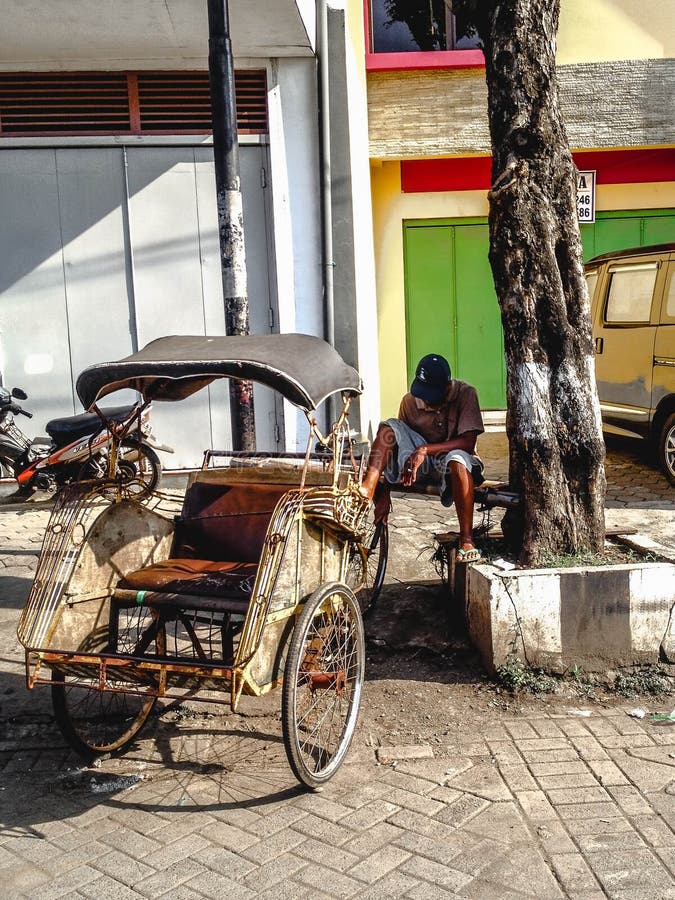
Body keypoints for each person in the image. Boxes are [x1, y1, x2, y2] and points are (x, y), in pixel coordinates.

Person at [361, 354, 485, 562]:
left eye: (431, 395)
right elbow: (398, 446)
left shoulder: (466, 394)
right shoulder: (410, 402)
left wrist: (426, 449)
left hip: (452, 463)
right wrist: (384, 491)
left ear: (446, 387)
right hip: (418, 467)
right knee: (388, 428)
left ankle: (467, 539)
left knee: (458, 459)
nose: (425, 400)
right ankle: (369, 487)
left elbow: (468, 443)